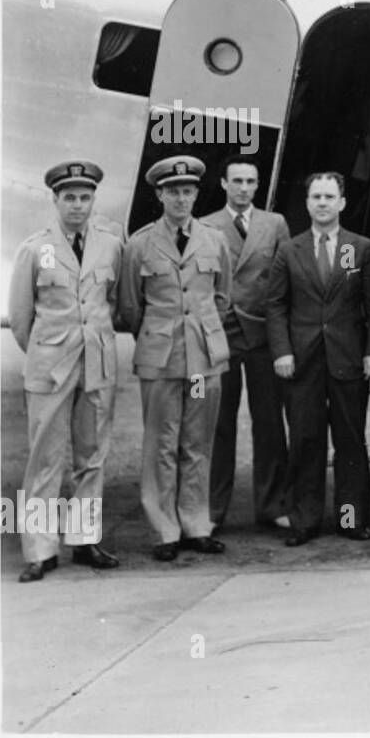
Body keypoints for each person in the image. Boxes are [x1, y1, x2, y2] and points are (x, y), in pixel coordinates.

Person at [8, 161, 123, 581]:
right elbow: (21, 320)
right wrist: (46, 351)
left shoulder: (110, 246)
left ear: (94, 200)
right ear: (54, 200)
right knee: (45, 458)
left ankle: (84, 539)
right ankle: (40, 550)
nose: (78, 205)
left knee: (92, 456)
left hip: (96, 364)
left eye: (85, 197)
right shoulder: (34, 248)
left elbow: (114, 300)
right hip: (50, 369)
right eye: (69, 197)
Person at [118, 155, 232, 560]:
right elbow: (131, 306)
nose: (180, 198)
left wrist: (200, 330)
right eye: (172, 192)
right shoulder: (140, 243)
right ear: (159, 195)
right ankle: (164, 530)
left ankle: (195, 525)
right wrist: (157, 333)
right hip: (161, 360)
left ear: (197, 194)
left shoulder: (214, 239)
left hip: (202, 362)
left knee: (197, 440)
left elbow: (222, 296)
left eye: (187, 191)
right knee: (161, 443)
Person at [265, 172, 370, 545]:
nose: (322, 203)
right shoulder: (289, 249)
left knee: (349, 442)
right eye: (316, 196)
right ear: (307, 203)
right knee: (305, 439)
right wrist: (282, 351)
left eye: (329, 196)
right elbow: (276, 306)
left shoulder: (360, 249)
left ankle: (350, 519)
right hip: (302, 362)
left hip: (348, 360)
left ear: (342, 203)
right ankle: (305, 520)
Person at [200, 156, 291, 531]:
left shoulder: (275, 223)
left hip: (262, 334)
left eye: (250, 181)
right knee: (218, 425)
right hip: (222, 334)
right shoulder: (206, 225)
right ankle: (212, 510)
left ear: (257, 186)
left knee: (269, 423)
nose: (243, 188)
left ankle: (272, 505)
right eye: (236, 180)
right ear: (223, 184)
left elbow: (285, 278)